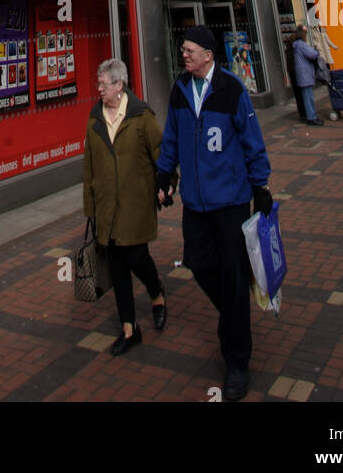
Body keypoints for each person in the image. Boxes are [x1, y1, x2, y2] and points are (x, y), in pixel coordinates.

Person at [155, 26, 272, 402]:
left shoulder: (232, 89)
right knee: (198, 263)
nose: (184, 55)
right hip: (196, 203)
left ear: (208, 54)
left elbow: (252, 140)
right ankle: (234, 313)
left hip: (231, 202)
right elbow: (171, 136)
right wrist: (165, 173)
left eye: (190, 50)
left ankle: (237, 361)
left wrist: (261, 186)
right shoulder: (179, 90)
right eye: (183, 50)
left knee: (234, 275)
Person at [83, 57, 167, 355]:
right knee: (117, 267)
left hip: (135, 202)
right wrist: (90, 208)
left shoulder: (141, 116)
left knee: (136, 257)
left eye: (104, 84)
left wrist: (165, 185)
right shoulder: (95, 120)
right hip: (107, 207)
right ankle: (129, 328)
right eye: (99, 84)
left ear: (120, 85)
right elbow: (89, 167)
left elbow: (161, 154)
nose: (99, 89)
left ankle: (156, 292)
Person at [292, 26, 323, 126]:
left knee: (307, 96)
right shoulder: (301, 45)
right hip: (305, 74)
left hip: (303, 74)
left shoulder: (297, 45)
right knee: (308, 97)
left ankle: (311, 116)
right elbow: (312, 54)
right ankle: (311, 117)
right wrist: (316, 51)